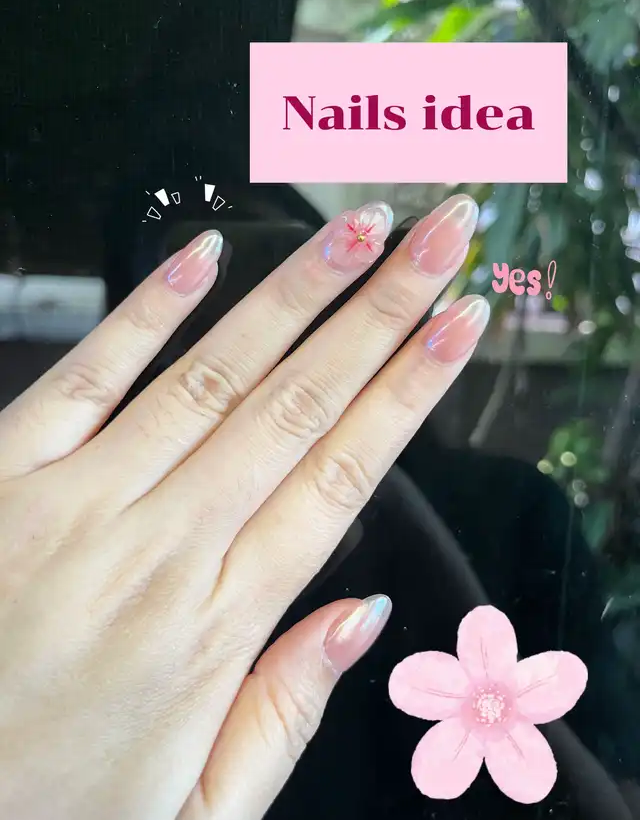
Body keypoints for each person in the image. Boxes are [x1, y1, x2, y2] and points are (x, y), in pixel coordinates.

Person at [0, 195, 491, 820]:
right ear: (126, 291)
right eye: (225, 285)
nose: (239, 308)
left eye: (276, 266)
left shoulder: (504, 503)